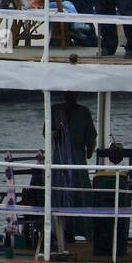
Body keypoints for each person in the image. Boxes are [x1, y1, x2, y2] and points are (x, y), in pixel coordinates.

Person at [52, 92, 97, 241]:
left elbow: (91, 136)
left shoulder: (83, 112)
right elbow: (48, 132)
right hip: (59, 157)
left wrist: (89, 152)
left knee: (80, 193)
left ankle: (82, 230)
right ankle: (60, 231)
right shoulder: (55, 110)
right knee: (59, 193)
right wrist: (55, 134)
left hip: (77, 159)